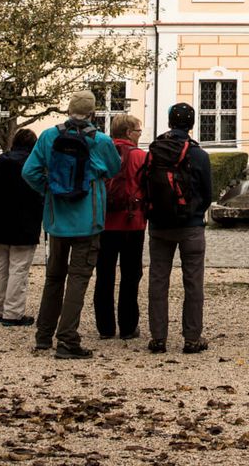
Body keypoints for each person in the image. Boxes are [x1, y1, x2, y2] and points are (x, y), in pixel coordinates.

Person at [21, 90, 123, 359]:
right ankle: (67, 339)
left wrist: (50, 190)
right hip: (88, 221)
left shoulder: (48, 136)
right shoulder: (99, 141)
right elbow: (114, 169)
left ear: (68, 110)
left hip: (56, 221)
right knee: (78, 279)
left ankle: (44, 335)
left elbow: (28, 172)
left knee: (53, 278)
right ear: (93, 113)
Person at [142, 101, 213, 354]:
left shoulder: (154, 151)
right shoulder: (199, 155)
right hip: (191, 225)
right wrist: (195, 211)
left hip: (159, 224)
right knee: (193, 282)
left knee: (158, 280)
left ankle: (158, 338)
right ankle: (192, 338)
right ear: (192, 125)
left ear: (170, 122)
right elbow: (207, 194)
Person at [94, 112, 147, 341]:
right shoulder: (140, 156)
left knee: (104, 275)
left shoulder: (100, 152)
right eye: (138, 131)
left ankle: (105, 327)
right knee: (130, 275)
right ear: (128, 132)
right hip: (132, 222)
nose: (139, 135)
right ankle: (127, 327)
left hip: (104, 222)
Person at [0, 128, 44, 327]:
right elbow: (38, 194)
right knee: (19, 269)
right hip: (24, 224)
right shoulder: (32, 167)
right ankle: (13, 313)